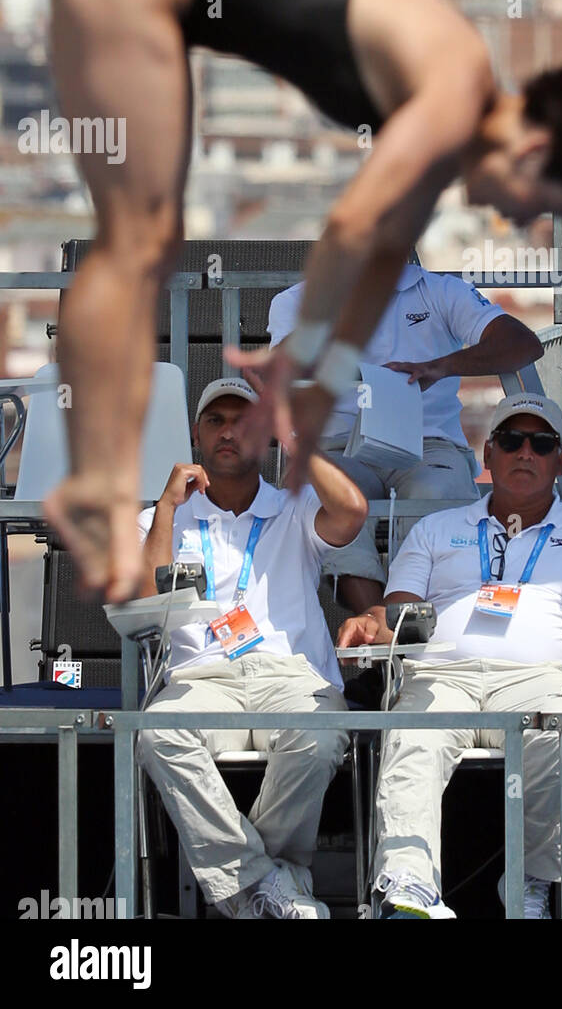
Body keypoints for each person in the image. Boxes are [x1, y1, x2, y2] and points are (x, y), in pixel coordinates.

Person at [45, 0, 562, 601]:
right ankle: (95, 488)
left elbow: (375, 261)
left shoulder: (446, 135)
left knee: (144, 239)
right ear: (534, 150)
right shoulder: (455, 90)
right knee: (138, 240)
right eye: (540, 200)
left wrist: (322, 371)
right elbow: (349, 225)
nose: (522, 218)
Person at [338, 391, 562, 919]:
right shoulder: (438, 529)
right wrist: (373, 622)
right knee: (412, 732)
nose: (524, 452)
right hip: (443, 676)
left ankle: (530, 885)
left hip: (541, 680)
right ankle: (408, 890)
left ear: (559, 460)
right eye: (510, 440)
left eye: (541, 442)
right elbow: (397, 611)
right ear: (488, 456)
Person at [135, 376, 378, 919]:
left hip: (289, 677)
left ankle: (251, 892)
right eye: (216, 421)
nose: (229, 432)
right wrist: (167, 507)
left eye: (244, 421)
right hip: (202, 680)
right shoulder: (163, 518)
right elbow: (141, 601)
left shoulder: (295, 506)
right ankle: (268, 884)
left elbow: (353, 512)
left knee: (319, 737)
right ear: (196, 435)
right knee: (155, 735)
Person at [268, 263, 544, 505]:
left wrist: (437, 367)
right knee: (318, 493)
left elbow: (522, 343)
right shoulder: (297, 300)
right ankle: (352, 568)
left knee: (436, 493)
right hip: (336, 447)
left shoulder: (442, 291)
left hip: (430, 446)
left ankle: (415, 566)